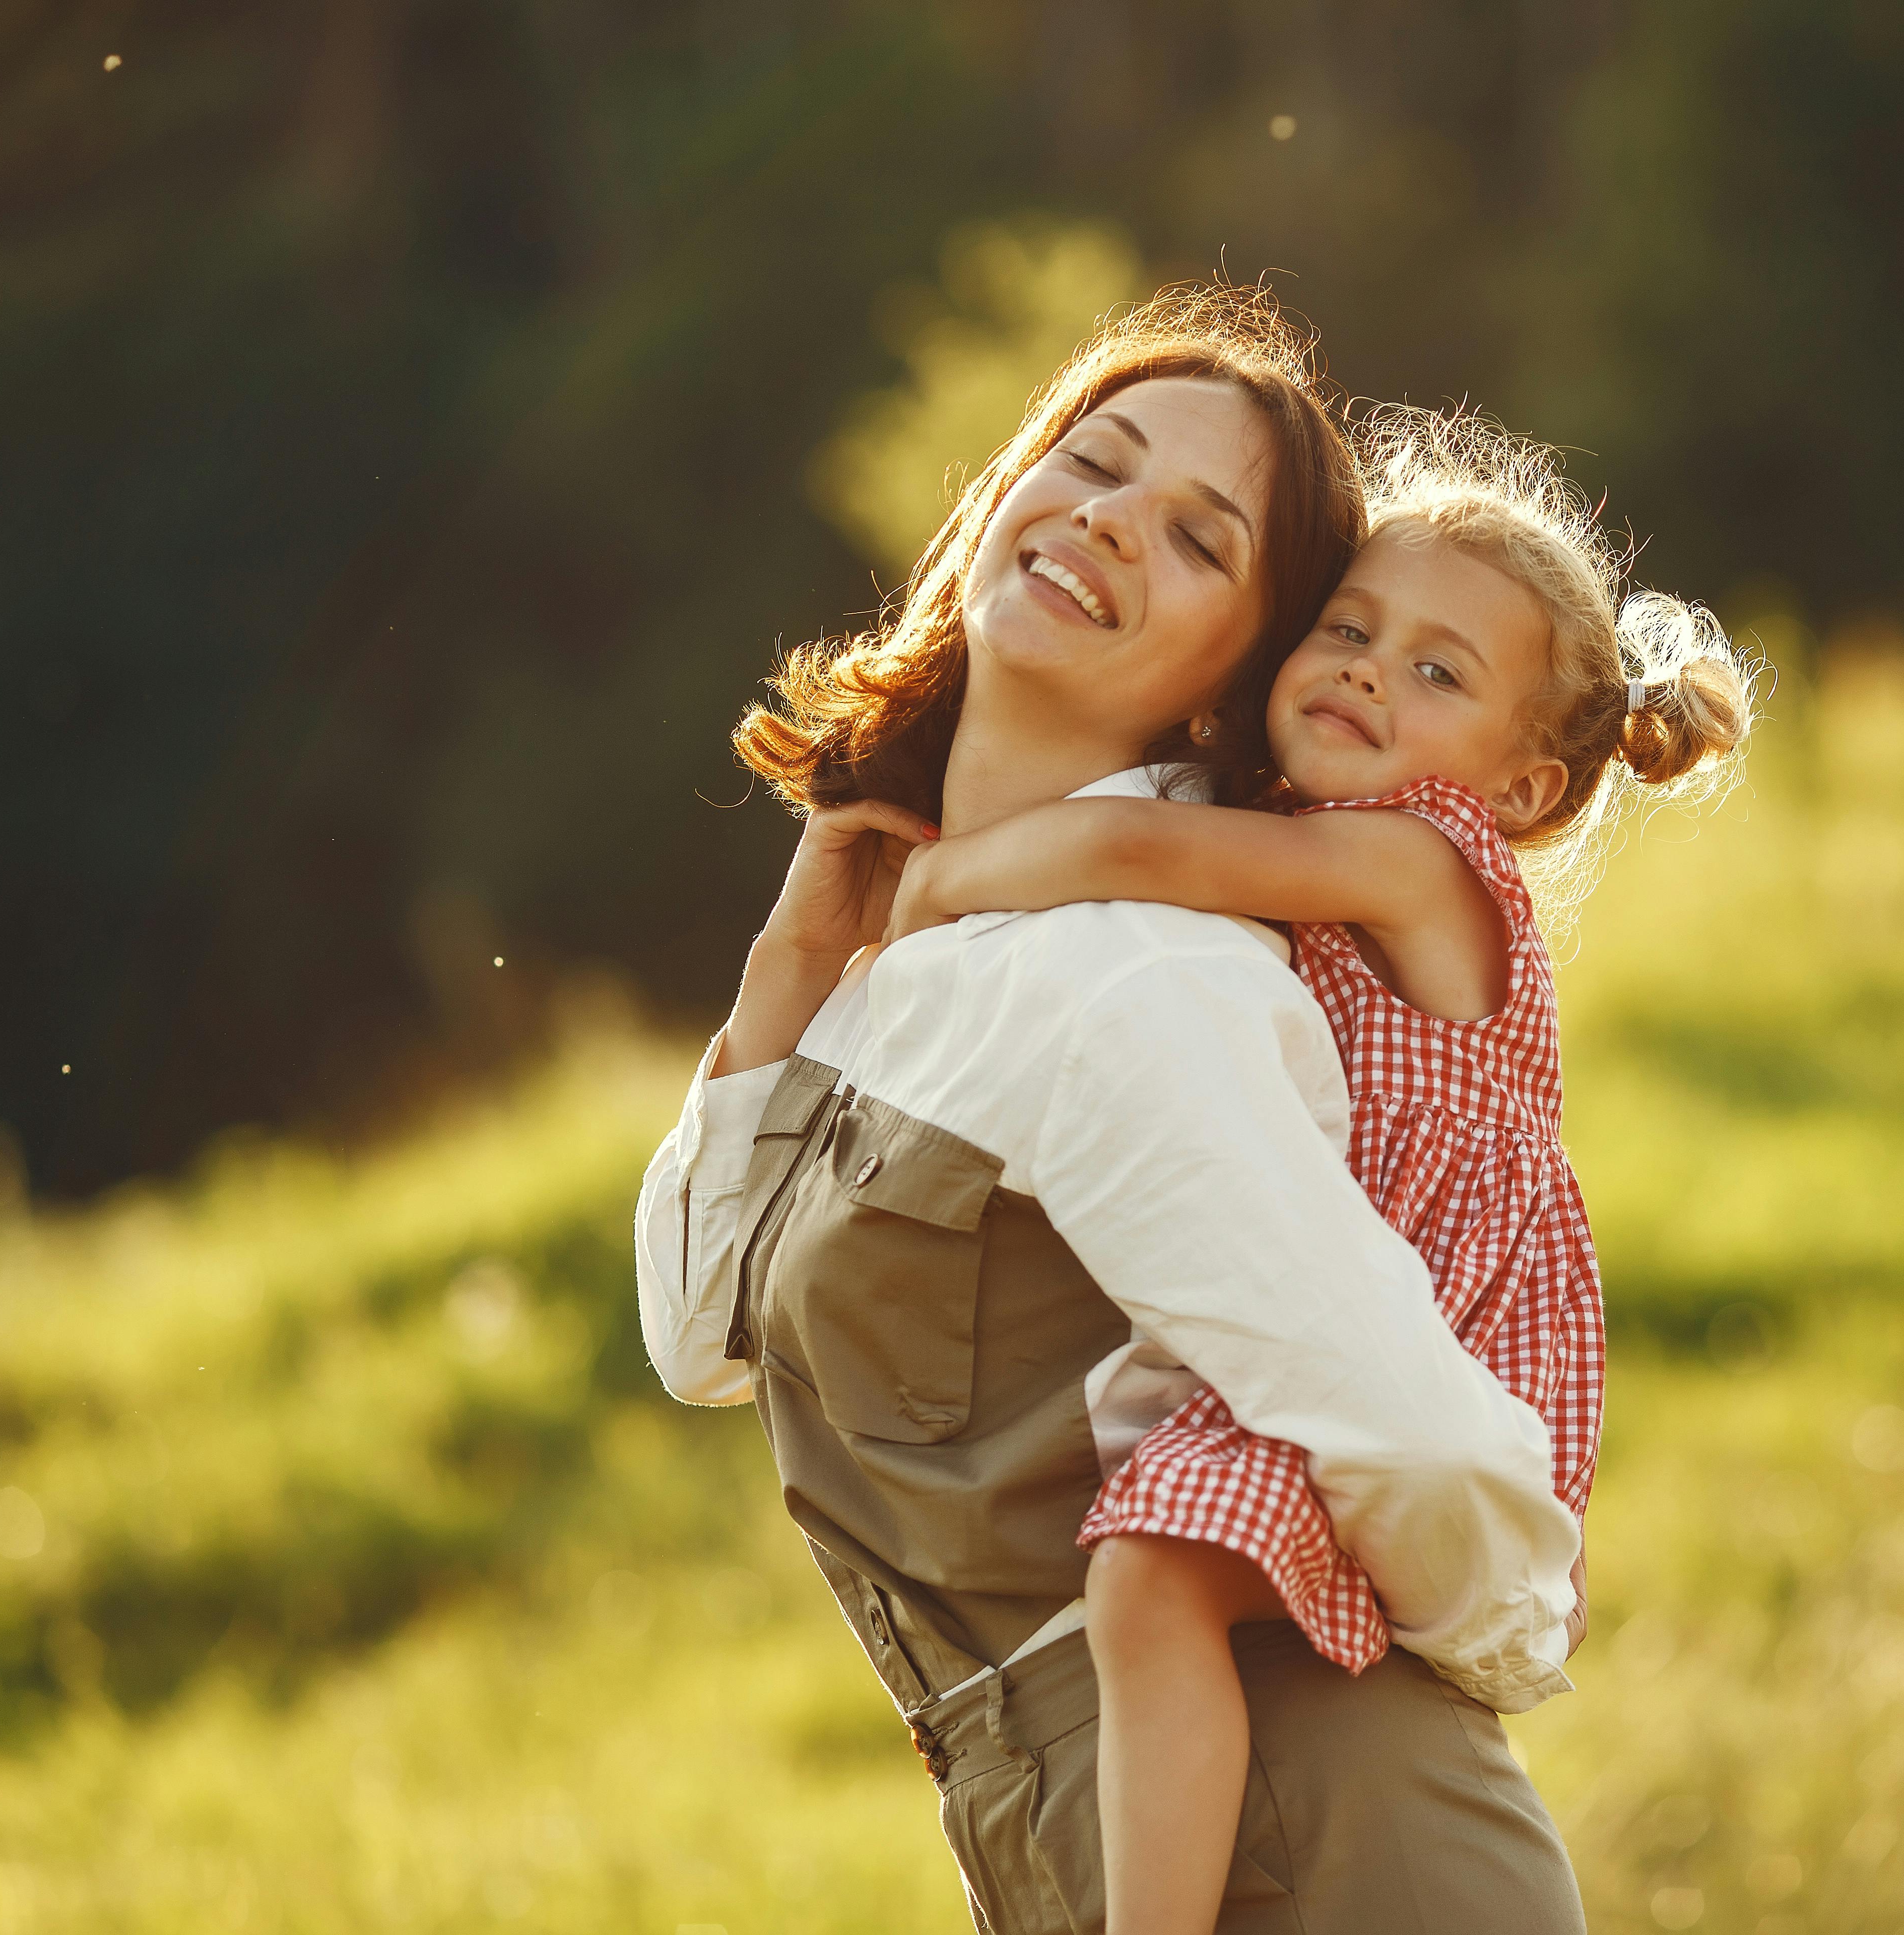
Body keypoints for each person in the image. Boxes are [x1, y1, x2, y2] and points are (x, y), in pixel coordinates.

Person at [634, 289, 1588, 1933]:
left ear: (1242, 679)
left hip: (1330, 1857)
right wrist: (790, 972)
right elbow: (698, 1332)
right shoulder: (903, 960)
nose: (1112, 521)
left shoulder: (1144, 983)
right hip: (1070, 1845)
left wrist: (1503, 1644)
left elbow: (1414, 1427)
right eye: (1095, 460)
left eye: (1201, 540)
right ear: (1006, 488)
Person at [885, 410, 1756, 1935]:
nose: (1365, 668)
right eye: (1348, 627)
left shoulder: (1418, 857)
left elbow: (1157, 862)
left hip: (1438, 1325)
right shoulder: (1323, 846)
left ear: (1523, 793)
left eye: (1438, 673)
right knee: (1159, 1580)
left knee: (1154, 1578)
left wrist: (950, 877)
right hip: (1358, 1320)